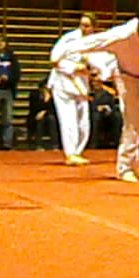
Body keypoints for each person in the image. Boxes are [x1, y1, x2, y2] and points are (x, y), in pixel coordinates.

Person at [54, 0, 139, 182]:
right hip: (125, 76)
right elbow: (92, 42)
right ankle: (125, 169)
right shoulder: (122, 35)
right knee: (135, 121)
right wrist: (60, 54)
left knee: (137, 122)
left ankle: (126, 166)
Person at [48, 13, 97, 166]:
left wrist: (96, 72)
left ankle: (78, 151)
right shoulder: (69, 39)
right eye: (82, 24)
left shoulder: (95, 42)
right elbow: (54, 59)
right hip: (63, 84)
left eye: (88, 25)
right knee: (69, 120)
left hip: (81, 85)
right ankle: (71, 154)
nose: (84, 28)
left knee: (84, 122)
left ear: (94, 27)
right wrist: (76, 67)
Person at [25, 76, 58, 150]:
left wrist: (46, 109)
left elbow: (54, 109)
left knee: (51, 119)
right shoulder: (34, 94)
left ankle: (54, 145)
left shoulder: (55, 96)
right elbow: (34, 107)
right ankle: (38, 145)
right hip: (36, 115)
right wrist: (44, 102)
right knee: (40, 120)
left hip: (50, 116)